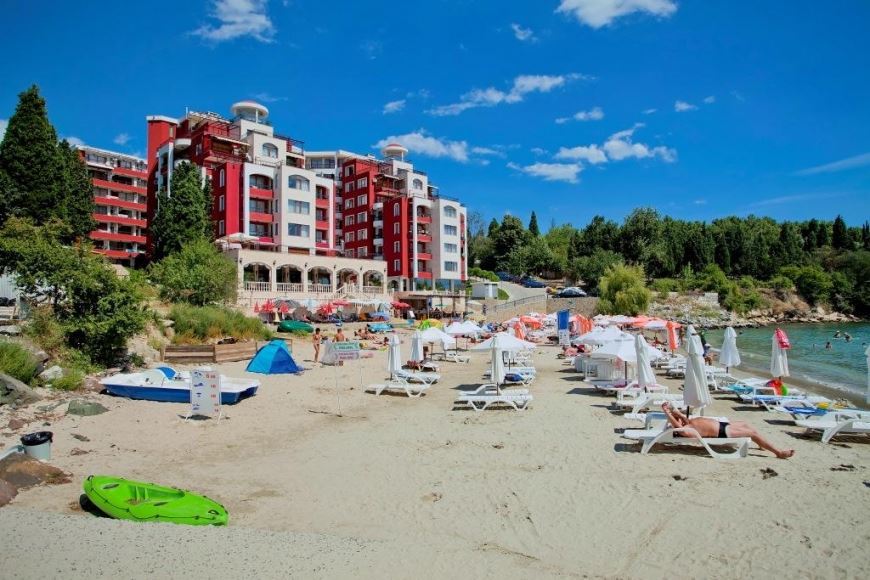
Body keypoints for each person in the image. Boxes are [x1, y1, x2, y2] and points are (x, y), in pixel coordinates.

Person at [661, 402, 794, 459]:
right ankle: (778, 452)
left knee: (746, 425)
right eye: (677, 421)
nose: (679, 419)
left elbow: (679, 414)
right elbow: (677, 425)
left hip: (723, 425)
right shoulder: (686, 431)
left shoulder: (688, 423)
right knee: (751, 433)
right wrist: (667, 414)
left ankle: (761, 444)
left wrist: (672, 410)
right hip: (722, 433)